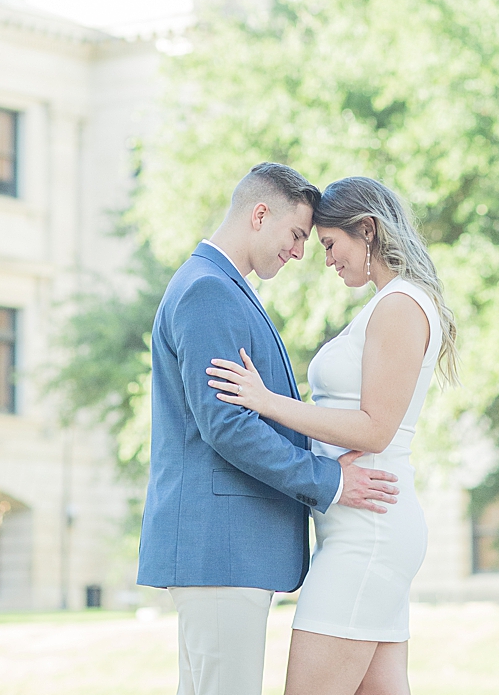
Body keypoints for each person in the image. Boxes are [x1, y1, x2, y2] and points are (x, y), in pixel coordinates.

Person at [138, 162, 401, 695]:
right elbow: (228, 426)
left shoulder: (219, 287)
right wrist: (331, 480)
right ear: (260, 215)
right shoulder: (209, 291)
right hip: (222, 551)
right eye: (297, 234)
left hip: (225, 553)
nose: (300, 252)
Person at [205, 176, 457, 695]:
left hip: (368, 535)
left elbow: (376, 428)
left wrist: (268, 402)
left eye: (328, 244)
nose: (325, 260)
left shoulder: (400, 305)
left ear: (367, 230)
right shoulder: (389, 303)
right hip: (363, 530)